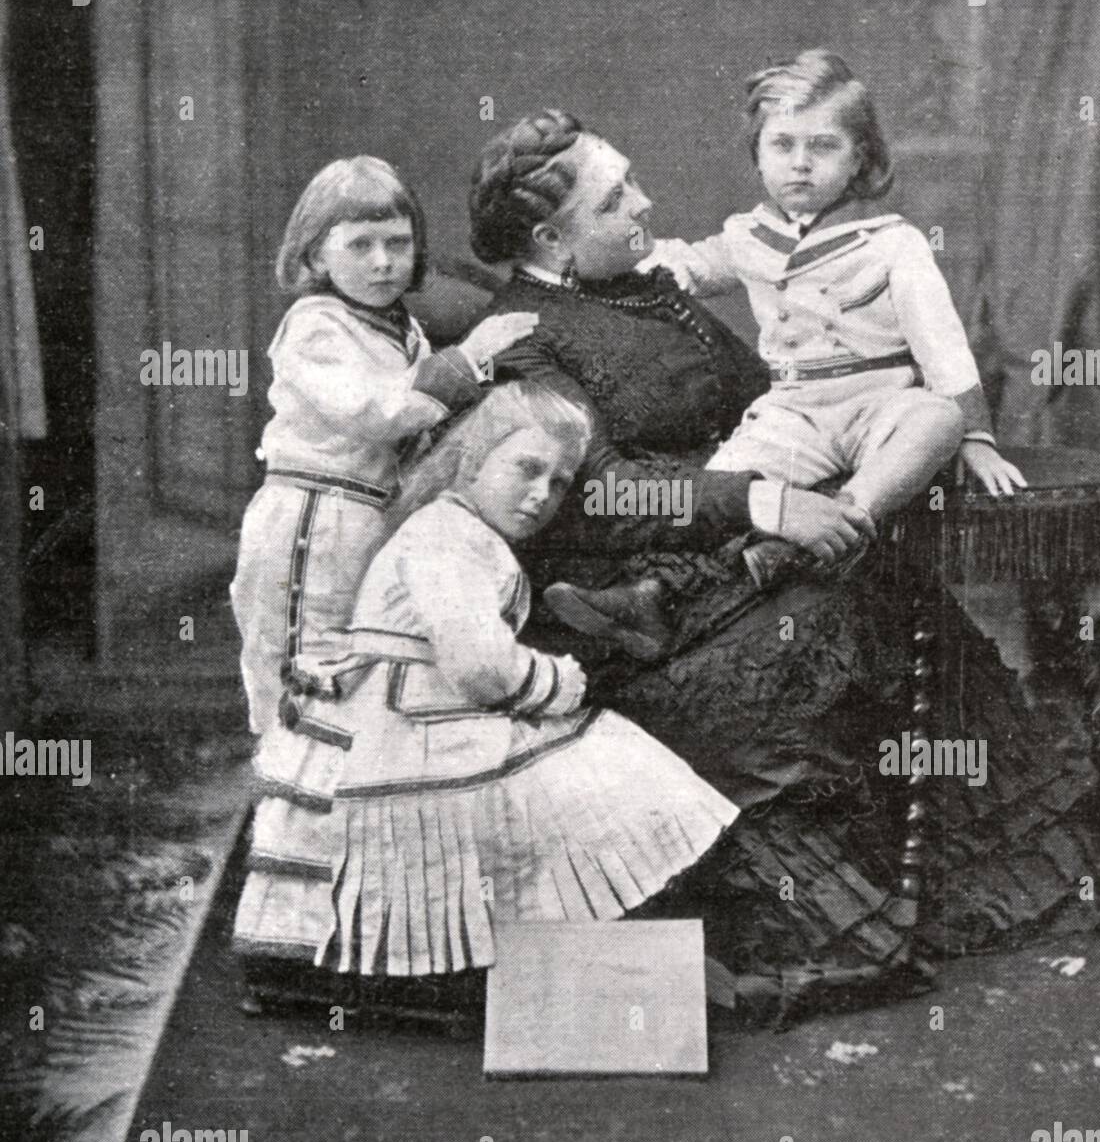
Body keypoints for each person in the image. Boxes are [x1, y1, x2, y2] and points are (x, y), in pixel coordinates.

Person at [468, 108, 1100, 1018]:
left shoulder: (647, 284)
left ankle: (935, 883)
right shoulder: (523, 336)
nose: (647, 205)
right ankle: (852, 902)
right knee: (825, 612)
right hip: (628, 604)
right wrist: (762, 504)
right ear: (549, 237)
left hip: (755, 531)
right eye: (617, 200)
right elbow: (595, 495)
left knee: (866, 567)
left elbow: (778, 395)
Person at [233, 380, 737, 988]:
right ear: (473, 460)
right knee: (610, 765)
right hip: (406, 727)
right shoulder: (446, 534)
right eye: (526, 469)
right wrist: (556, 679)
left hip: (429, 709)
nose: (540, 495)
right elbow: (478, 664)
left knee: (587, 770)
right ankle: (496, 968)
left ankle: (582, 954)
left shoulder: (466, 531)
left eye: (558, 483)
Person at [548, 50, 1023, 649]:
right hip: (796, 412)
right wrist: (593, 253)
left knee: (939, 417)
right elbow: (687, 265)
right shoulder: (749, 236)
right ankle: (653, 597)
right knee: (720, 483)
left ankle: (841, 522)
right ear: (759, 155)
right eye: (782, 146)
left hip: (880, 404)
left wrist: (976, 438)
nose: (800, 164)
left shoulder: (892, 243)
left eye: (824, 146)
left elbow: (945, 348)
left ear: (860, 160)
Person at [229, 156, 538, 736]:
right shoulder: (315, 324)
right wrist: (469, 358)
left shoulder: (400, 327)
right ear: (317, 254)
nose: (382, 261)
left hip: (369, 511)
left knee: (358, 664)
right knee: (303, 663)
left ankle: (336, 805)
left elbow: (425, 422)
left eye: (398, 243)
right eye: (360, 245)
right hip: (313, 517)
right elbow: (378, 410)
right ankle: (284, 801)